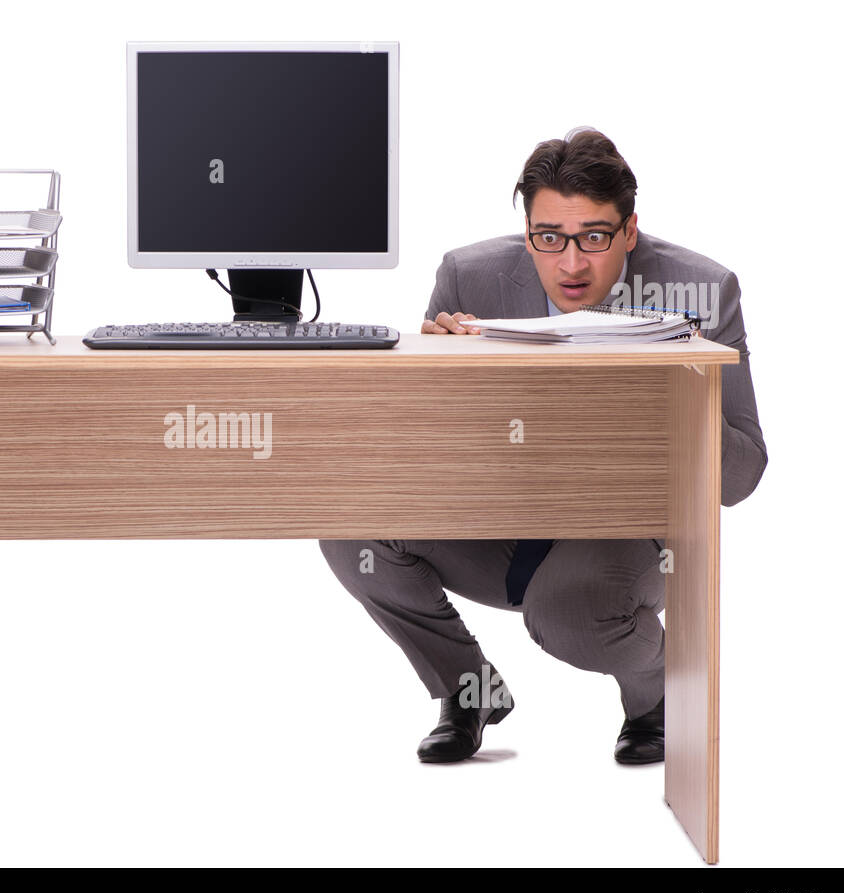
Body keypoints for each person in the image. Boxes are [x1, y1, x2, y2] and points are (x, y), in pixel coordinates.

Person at [319, 129, 767, 764]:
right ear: (527, 229)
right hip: (500, 519)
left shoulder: (701, 289)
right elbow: (419, 457)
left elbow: (742, 475)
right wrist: (435, 375)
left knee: (568, 614)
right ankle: (468, 689)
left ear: (630, 231)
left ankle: (656, 694)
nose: (572, 263)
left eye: (595, 237)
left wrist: (676, 397)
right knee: (346, 523)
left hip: (622, 533)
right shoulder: (467, 276)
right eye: (549, 238)